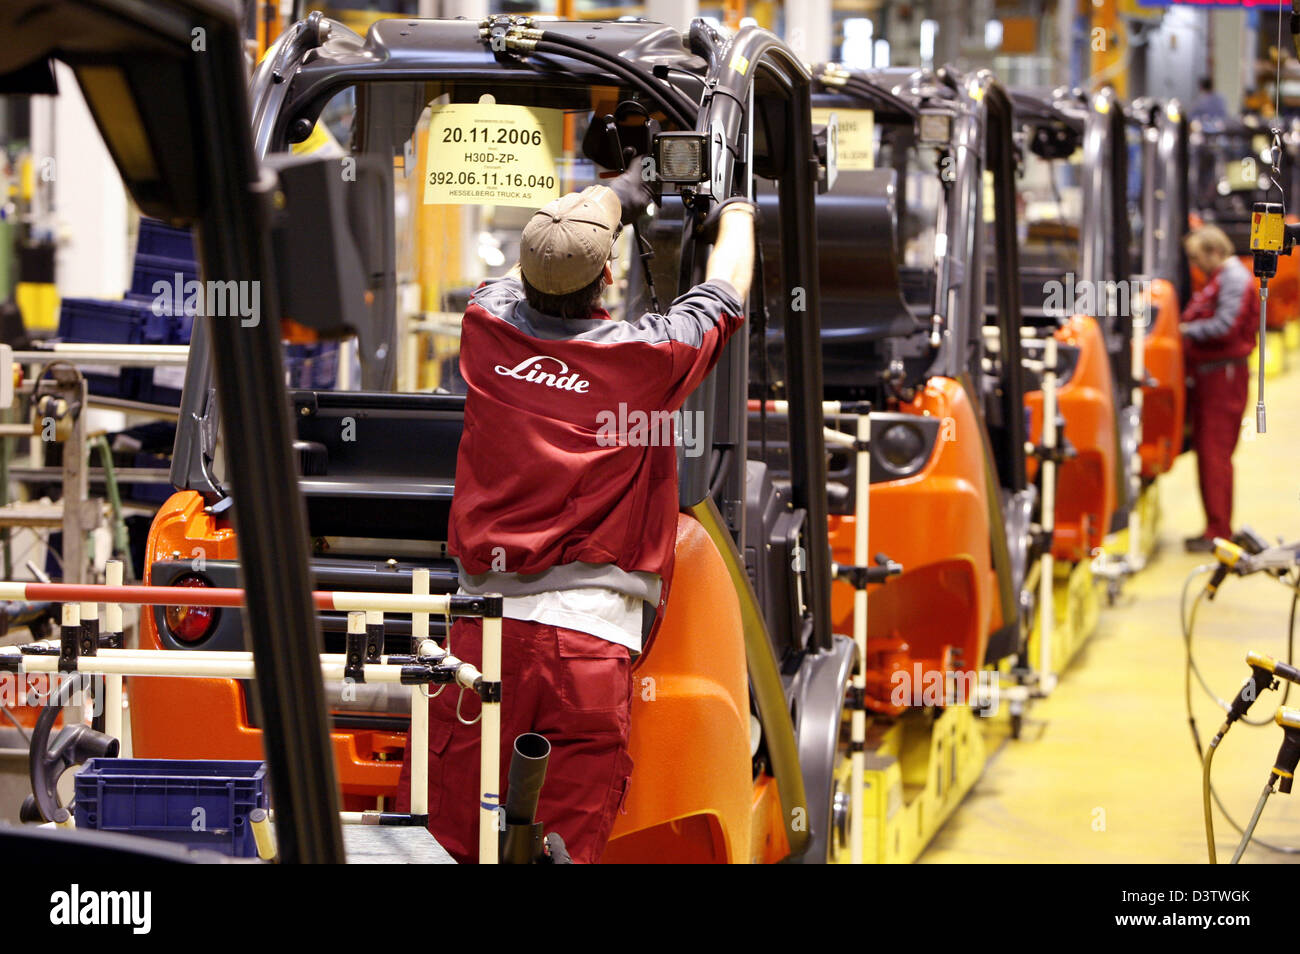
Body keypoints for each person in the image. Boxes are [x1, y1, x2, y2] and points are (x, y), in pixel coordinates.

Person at [396, 171, 757, 863]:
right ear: (608, 276)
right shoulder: (648, 358)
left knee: (452, 843)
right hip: (586, 646)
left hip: (480, 641)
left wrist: (616, 190)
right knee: (559, 845)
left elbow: (539, 265)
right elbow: (727, 286)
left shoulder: (486, 323)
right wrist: (735, 202)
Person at [1179, 225, 1259, 552]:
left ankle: (1219, 531)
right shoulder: (1220, 280)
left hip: (1223, 379)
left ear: (1214, 252)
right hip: (1210, 377)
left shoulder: (1234, 280)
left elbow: (1226, 326)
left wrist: (1184, 329)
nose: (1196, 266)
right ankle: (1214, 525)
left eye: (1198, 259)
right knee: (1208, 454)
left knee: (1215, 456)